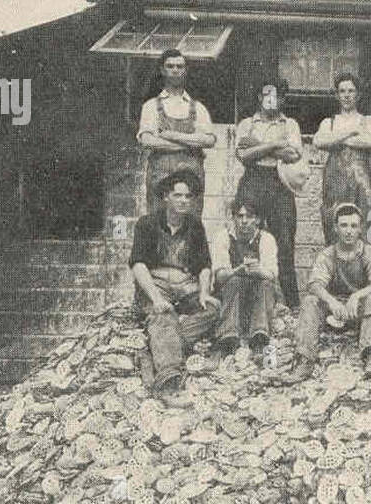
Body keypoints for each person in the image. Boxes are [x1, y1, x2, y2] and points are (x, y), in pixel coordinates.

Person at [128, 169, 219, 395]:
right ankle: (169, 379)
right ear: (166, 197)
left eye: (188, 196)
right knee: (162, 316)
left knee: (215, 309)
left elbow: (204, 266)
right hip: (156, 285)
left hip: (185, 285)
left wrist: (204, 293)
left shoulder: (195, 226)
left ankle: (162, 344)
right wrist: (156, 299)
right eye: (178, 195)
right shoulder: (147, 224)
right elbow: (138, 264)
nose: (184, 201)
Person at [289, 203, 371, 381]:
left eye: (353, 226)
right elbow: (314, 284)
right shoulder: (328, 254)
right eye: (343, 225)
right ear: (335, 228)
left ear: (360, 229)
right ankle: (304, 358)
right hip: (333, 314)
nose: (348, 231)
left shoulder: (369, 252)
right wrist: (331, 302)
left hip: (358, 313)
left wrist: (357, 296)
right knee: (310, 301)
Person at [235, 81, 304, 309]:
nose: (272, 100)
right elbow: (244, 156)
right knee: (247, 238)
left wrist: (258, 146)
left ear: (283, 99)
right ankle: (244, 300)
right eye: (267, 95)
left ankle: (291, 303)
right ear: (259, 97)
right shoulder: (246, 123)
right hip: (252, 180)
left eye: (277, 96)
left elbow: (293, 155)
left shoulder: (290, 124)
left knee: (284, 242)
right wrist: (275, 144)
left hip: (280, 182)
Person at [136, 49, 217, 214]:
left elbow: (209, 140)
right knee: (157, 224)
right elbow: (147, 140)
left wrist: (172, 135)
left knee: (191, 226)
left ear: (185, 70)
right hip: (160, 178)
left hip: (191, 180)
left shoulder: (198, 108)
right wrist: (190, 143)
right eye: (170, 66)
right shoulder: (150, 106)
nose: (175, 70)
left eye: (179, 66)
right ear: (162, 70)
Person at [312, 73, 371, 244]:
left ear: (358, 94)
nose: (346, 95)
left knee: (365, 232)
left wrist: (337, 139)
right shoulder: (328, 122)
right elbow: (319, 141)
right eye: (342, 91)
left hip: (363, 186)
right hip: (335, 185)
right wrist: (351, 132)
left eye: (351, 91)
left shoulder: (370, 121)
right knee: (334, 230)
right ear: (336, 95)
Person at [210, 196, 280, 365]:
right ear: (233, 217)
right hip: (231, 294)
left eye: (249, 216)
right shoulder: (223, 237)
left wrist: (259, 271)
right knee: (233, 280)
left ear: (257, 219)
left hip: (257, 293)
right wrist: (237, 270)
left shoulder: (266, 239)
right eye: (240, 216)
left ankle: (259, 337)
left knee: (265, 283)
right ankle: (228, 338)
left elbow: (272, 275)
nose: (244, 221)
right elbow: (219, 276)